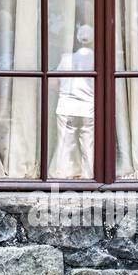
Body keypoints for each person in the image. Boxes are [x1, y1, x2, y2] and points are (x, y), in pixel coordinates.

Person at [52, 23, 94, 179]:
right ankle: (89, 175)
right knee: (88, 144)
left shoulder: (66, 59)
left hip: (66, 106)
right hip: (88, 108)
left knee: (65, 144)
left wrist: (63, 93)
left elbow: (53, 82)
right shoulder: (97, 60)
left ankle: (62, 175)